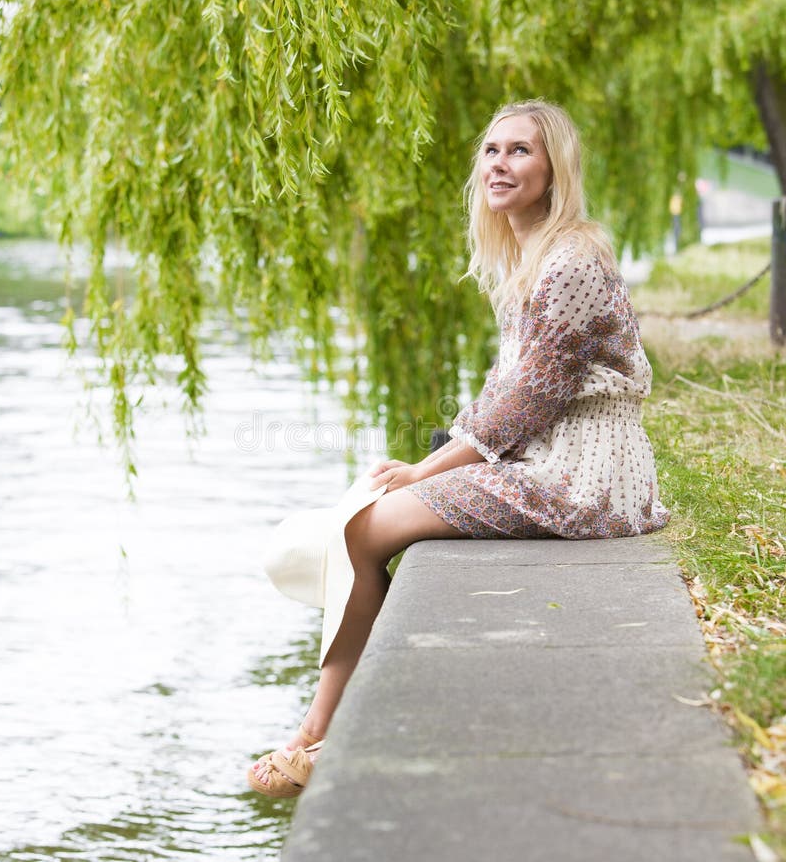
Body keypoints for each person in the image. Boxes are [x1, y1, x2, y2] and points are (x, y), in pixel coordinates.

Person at [248, 99, 669, 797]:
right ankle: (324, 722)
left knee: (366, 527)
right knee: (365, 516)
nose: (500, 163)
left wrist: (424, 468)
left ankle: (323, 726)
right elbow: (503, 388)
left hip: (583, 473)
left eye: (521, 150)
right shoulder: (529, 255)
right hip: (554, 456)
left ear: (553, 167)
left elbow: (522, 404)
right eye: (491, 150)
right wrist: (439, 458)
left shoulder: (569, 261)